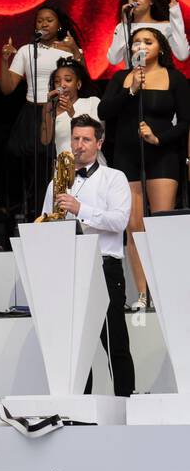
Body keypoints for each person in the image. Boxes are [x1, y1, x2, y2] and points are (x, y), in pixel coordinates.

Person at [39, 116, 134, 396]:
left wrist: (81, 209)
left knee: (114, 341)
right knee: (75, 348)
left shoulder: (114, 178)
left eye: (86, 139)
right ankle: (79, 409)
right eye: (75, 139)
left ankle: (125, 405)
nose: (79, 146)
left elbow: (119, 221)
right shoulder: (57, 181)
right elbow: (45, 222)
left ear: (99, 143)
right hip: (69, 268)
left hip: (104, 267)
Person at [98, 27, 190, 309]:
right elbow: (104, 112)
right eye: (136, 41)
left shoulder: (174, 78)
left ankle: (167, 290)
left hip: (162, 154)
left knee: (161, 223)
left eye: (147, 41)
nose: (141, 45)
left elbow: (186, 122)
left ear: (160, 47)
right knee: (134, 227)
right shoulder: (121, 78)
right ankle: (143, 294)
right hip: (127, 156)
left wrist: (158, 137)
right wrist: (131, 90)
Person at [0, 3, 85, 217]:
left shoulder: (70, 50)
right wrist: (4, 59)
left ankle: (60, 214)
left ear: (58, 25)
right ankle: (33, 215)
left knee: (55, 166)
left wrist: (74, 50)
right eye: (40, 20)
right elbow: (8, 87)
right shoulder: (28, 50)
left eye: (49, 19)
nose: (44, 23)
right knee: (31, 171)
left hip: (60, 110)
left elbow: (84, 79)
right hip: (32, 113)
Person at [106, 0, 188, 67]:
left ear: (151, 1)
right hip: (132, 79)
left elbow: (182, 55)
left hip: (160, 78)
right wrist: (125, 24)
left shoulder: (166, 26)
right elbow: (114, 59)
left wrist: (176, 15)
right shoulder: (122, 27)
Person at [39, 58, 104, 164]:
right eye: (57, 81)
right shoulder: (52, 109)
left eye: (68, 80)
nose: (62, 85)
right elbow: (45, 140)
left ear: (78, 84)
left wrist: (72, 113)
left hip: (92, 167)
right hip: (64, 171)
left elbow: (99, 135)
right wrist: (47, 112)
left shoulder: (92, 102)